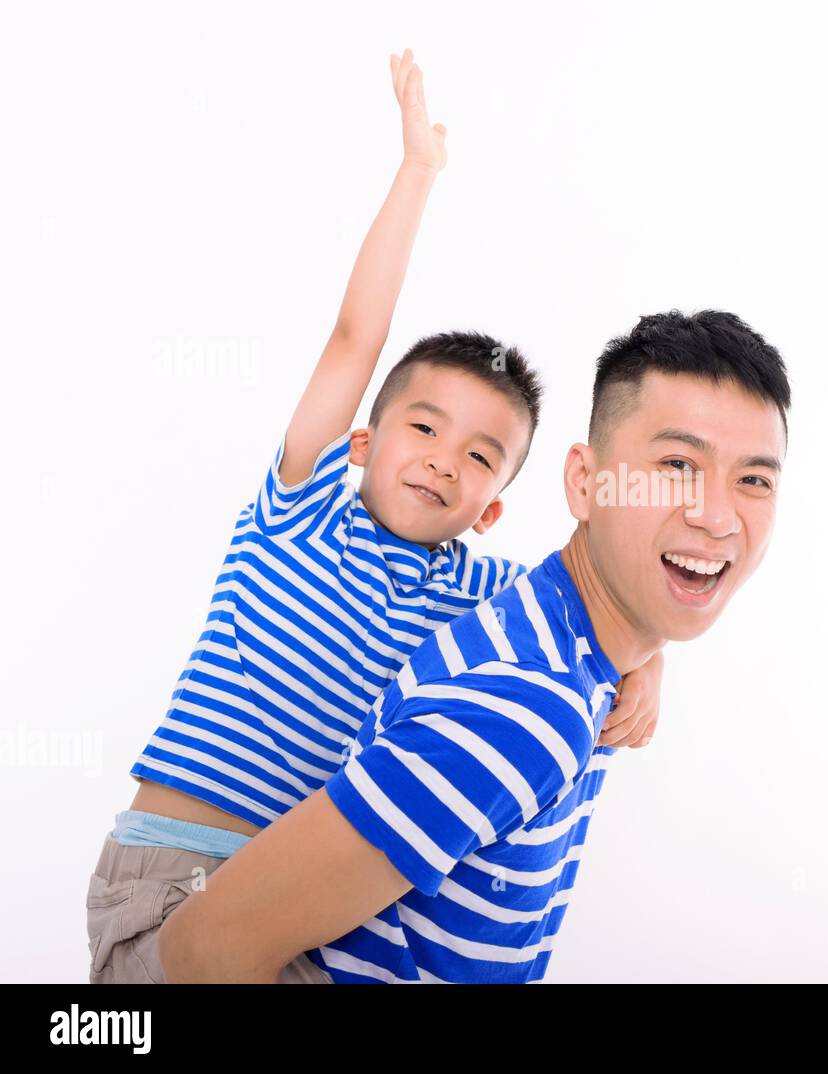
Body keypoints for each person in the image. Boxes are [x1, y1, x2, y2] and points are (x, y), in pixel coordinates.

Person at [85, 49, 661, 986]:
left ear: (493, 507)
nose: (444, 457)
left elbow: (608, 589)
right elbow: (354, 338)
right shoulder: (303, 506)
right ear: (362, 443)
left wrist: (653, 658)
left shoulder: (485, 594)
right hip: (176, 879)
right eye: (424, 427)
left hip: (303, 922)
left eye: (479, 454)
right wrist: (417, 171)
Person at [157, 308, 791, 983]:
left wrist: (649, 654)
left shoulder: (550, 630)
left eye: (753, 479)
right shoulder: (526, 707)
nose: (717, 516)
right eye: (676, 465)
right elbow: (205, 949)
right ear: (584, 483)